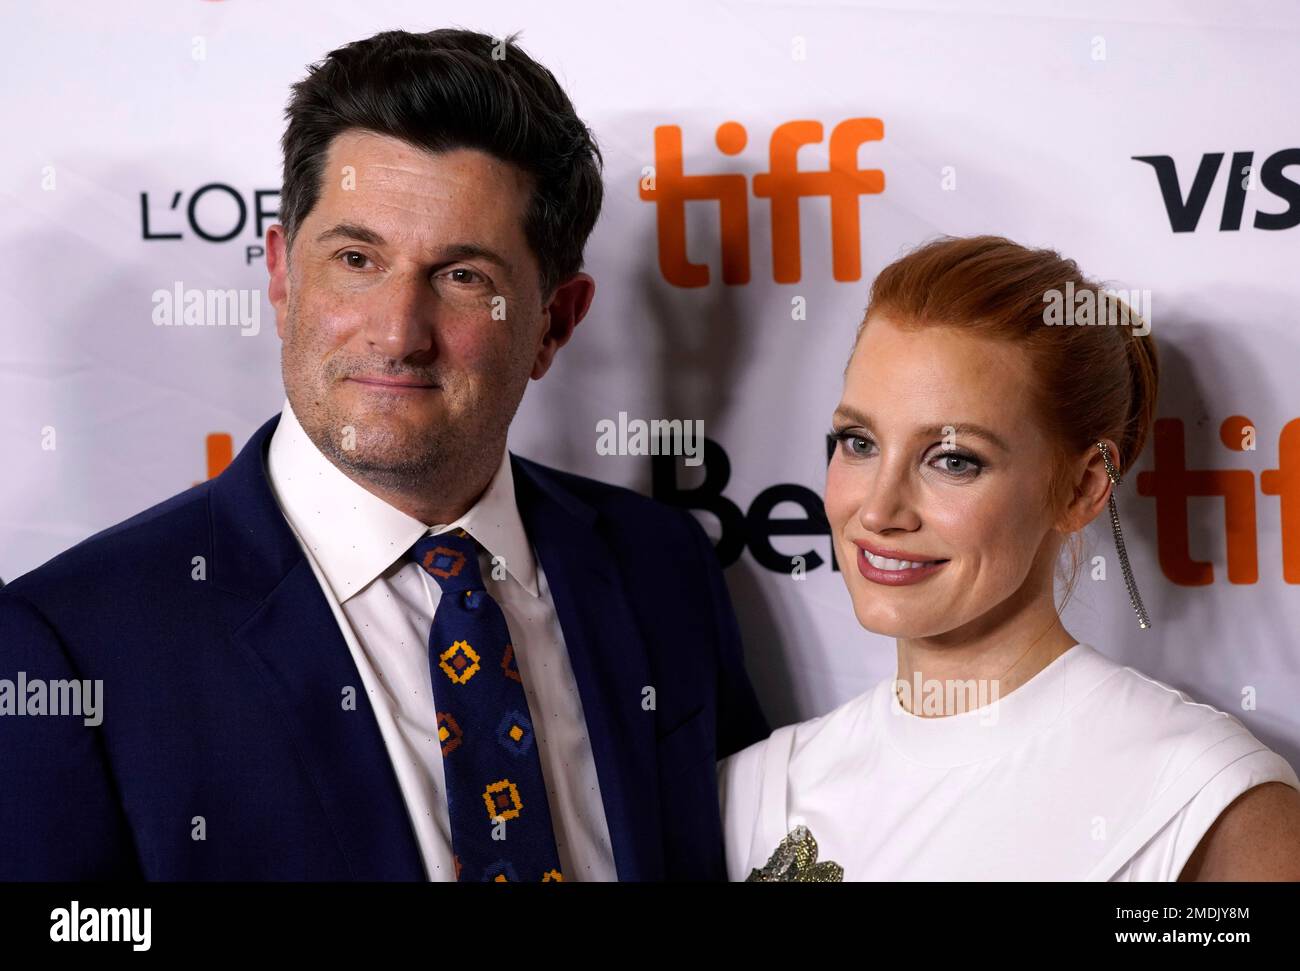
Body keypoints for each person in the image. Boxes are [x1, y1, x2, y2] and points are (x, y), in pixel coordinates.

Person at [0, 27, 769, 882]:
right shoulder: (76, 644)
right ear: (282, 277)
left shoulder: (660, 570)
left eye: (463, 276)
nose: (398, 333)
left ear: (554, 322)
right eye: (357, 259)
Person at [719, 235, 1300, 881]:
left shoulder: (1207, 804)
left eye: (952, 460)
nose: (879, 510)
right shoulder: (754, 789)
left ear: (1082, 489)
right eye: (859, 442)